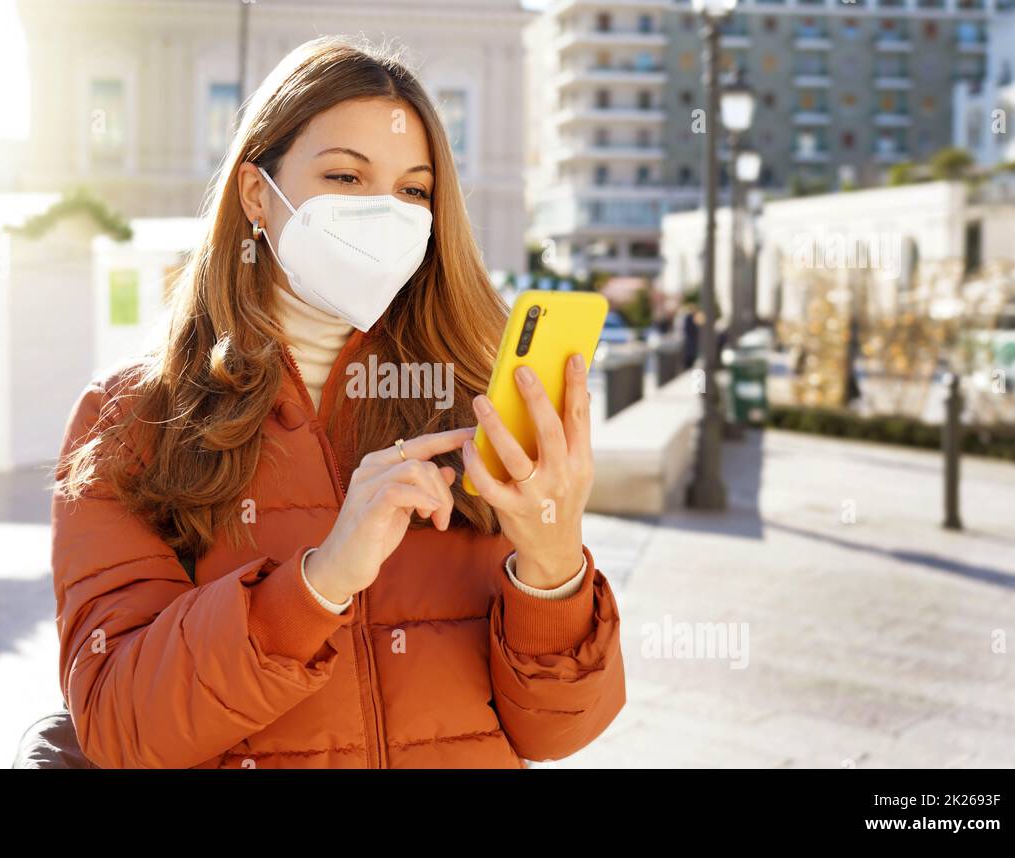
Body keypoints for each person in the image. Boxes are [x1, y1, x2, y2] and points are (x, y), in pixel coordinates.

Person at [50, 36, 625, 768]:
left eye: (414, 190)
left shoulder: (474, 407)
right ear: (258, 193)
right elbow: (118, 726)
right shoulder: (131, 417)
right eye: (346, 177)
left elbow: (558, 731)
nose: (384, 211)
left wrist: (554, 564)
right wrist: (319, 583)